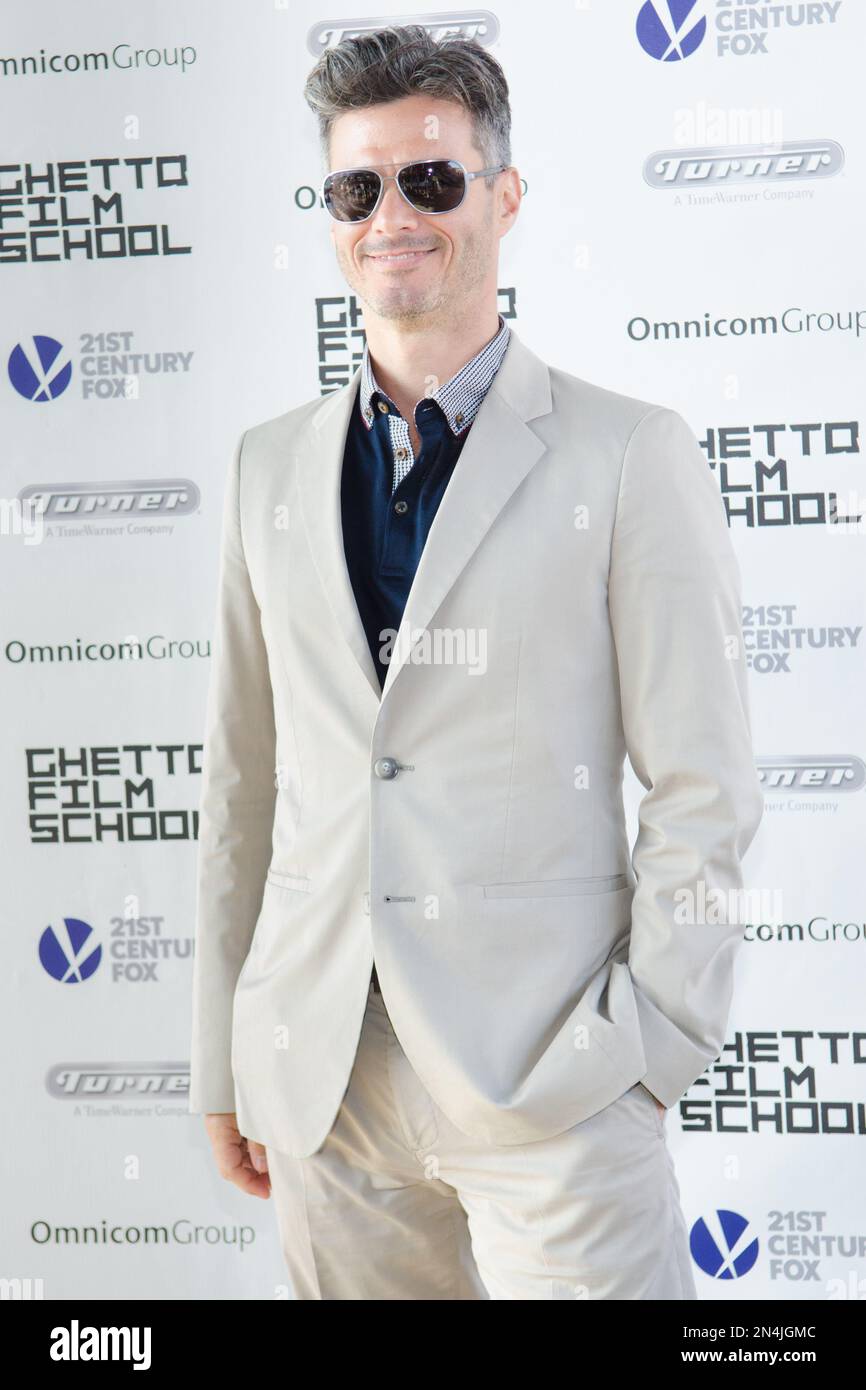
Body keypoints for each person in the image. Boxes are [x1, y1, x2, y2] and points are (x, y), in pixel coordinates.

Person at [188, 24, 764, 1300]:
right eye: (357, 188)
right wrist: (224, 1059)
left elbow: (703, 783)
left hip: (551, 1087)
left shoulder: (627, 456)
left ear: (502, 198)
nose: (391, 213)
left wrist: (646, 1044)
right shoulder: (265, 469)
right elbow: (242, 783)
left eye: (430, 180)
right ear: (331, 215)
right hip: (325, 1091)